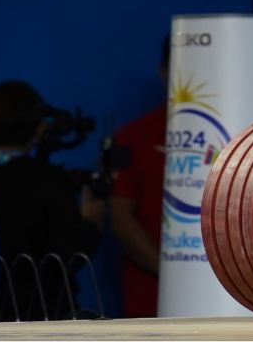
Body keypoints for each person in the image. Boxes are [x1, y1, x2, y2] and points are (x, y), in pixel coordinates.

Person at [0, 80, 103, 319]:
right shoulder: (51, 182)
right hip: (44, 316)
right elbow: (68, 256)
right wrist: (91, 222)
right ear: (38, 128)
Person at [108, 36, 169, 317]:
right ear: (163, 70)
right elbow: (121, 218)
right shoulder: (129, 138)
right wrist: (170, 274)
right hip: (148, 300)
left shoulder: (235, 137)